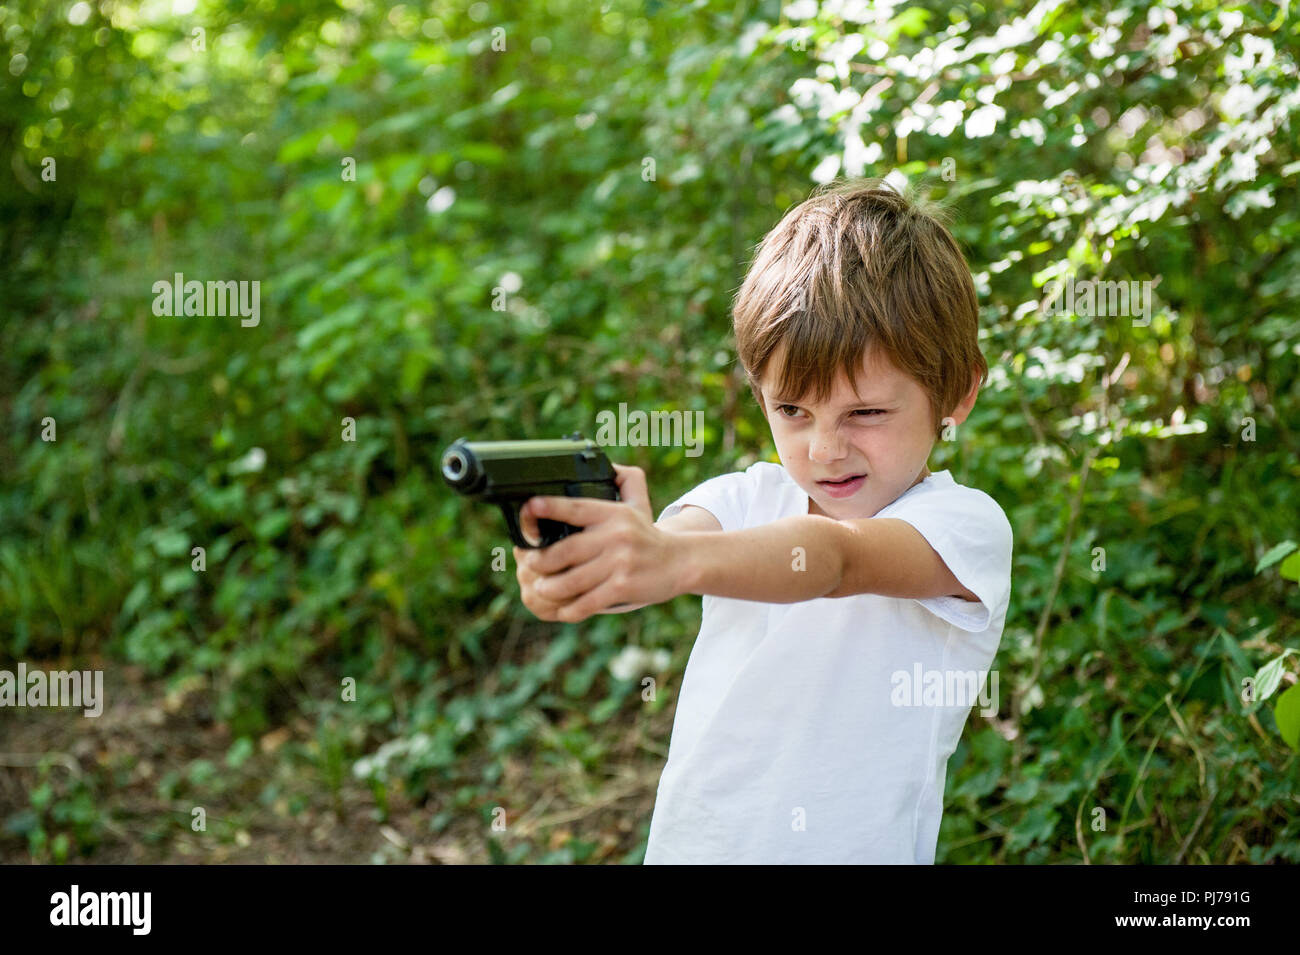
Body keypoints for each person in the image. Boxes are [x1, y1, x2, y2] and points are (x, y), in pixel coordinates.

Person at [513, 176, 1014, 864]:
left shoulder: (963, 529)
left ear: (958, 393)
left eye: (865, 413)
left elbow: (834, 560)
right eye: (794, 411)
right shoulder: (744, 498)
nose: (825, 448)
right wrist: (584, 566)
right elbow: (663, 556)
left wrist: (665, 558)